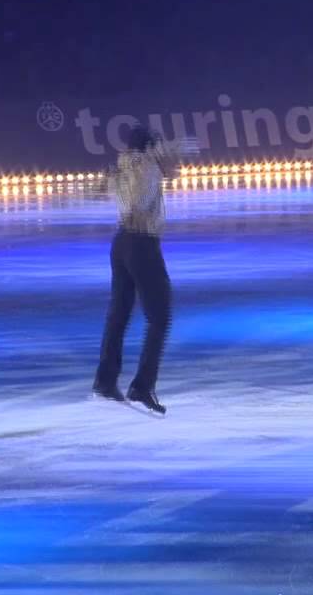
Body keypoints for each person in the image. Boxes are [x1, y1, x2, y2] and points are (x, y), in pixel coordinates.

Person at [92, 126, 198, 414]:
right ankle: (142, 386)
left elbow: (111, 191)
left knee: (119, 314)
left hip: (121, 244)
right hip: (141, 245)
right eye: (157, 146)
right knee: (160, 316)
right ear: (150, 148)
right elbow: (137, 202)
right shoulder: (147, 168)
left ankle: (105, 380)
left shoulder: (125, 167)